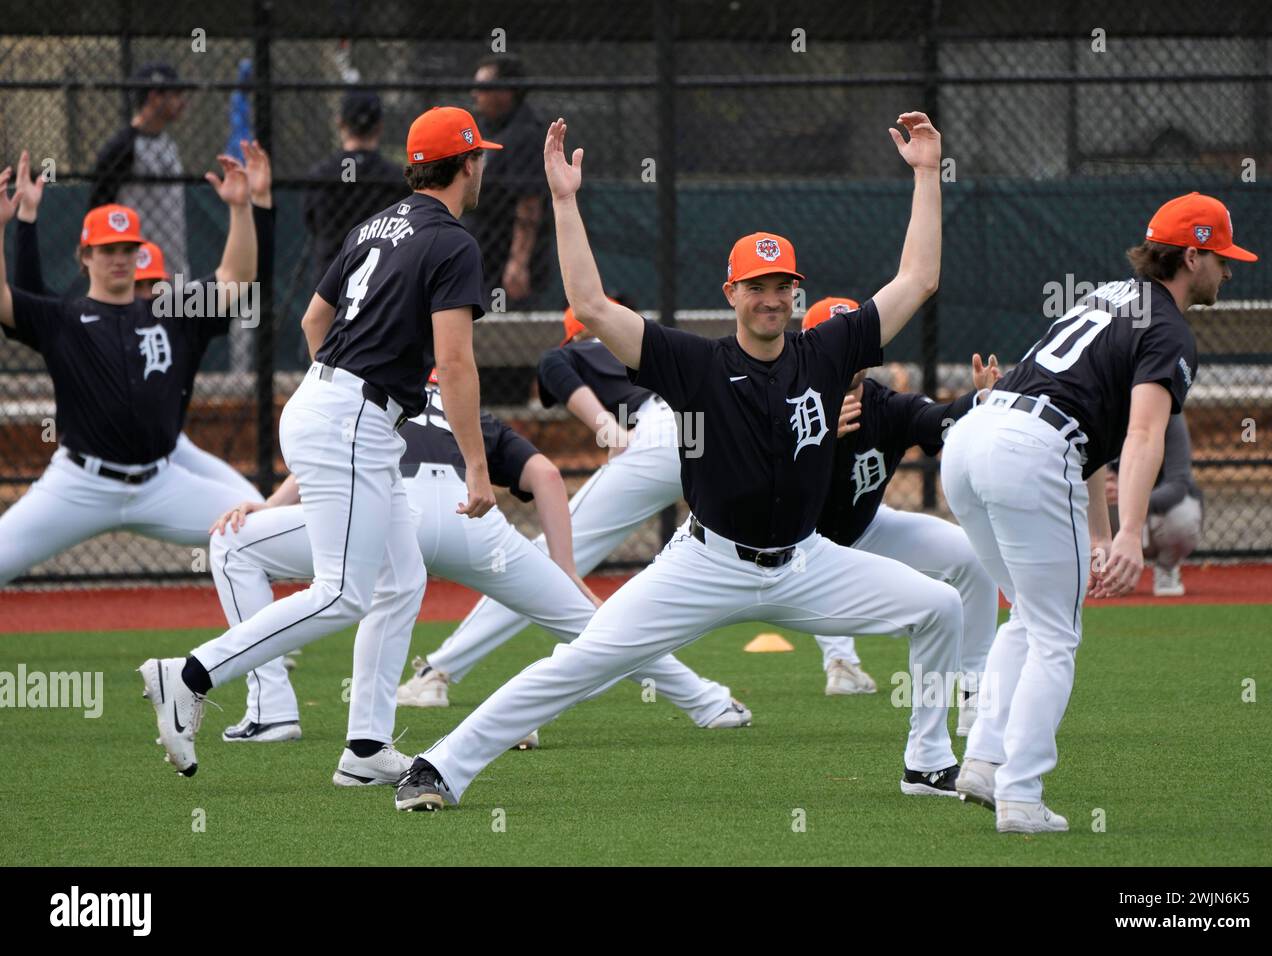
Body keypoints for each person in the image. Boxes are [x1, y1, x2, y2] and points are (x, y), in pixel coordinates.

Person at [392, 111, 961, 812]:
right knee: (584, 660)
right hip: (708, 564)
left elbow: (919, 278)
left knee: (940, 606)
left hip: (807, 561)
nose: (771, 298)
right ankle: (441, 765)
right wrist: (565, 202)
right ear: (732, 295)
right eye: (756, 286)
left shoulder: (829, 349)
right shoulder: (695, 363)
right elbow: (592, 308)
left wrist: (928, 173)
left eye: (782, 285)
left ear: (796, 294)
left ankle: (928, 761)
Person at [140, 106, 500, 785]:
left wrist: (341, 389)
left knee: (401, 581)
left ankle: (364, 750)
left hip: (326, 399)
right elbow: (454, 365)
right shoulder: (454, 242)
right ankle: (187, 675)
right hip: (353, 415)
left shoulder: (373, 225)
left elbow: (315, 318)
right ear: (467, 163)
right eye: (480, 155)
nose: (484, 165)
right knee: (342, 594)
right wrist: (476, 466)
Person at [208, 373, 748, 756]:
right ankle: (708, 703)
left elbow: (340, 461)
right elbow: (548, 477)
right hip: (473, 522)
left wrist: (271, 505)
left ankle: (277, 711)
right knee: (594, 624)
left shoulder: (369, 395)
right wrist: (567, 571)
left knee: (239, 548)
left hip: (395, 509)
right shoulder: (467, 413)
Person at [943, 192, 1255, 833]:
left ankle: (981, 762)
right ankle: (1021, 797)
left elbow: (1091, 438)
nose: (1228, 271)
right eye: (1221, 258)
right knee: (1057, 635)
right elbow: (1141, 436)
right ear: (1191, 256)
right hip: (1028, 450)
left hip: (975, 438)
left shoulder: (1107, 294)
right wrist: (1133, 534)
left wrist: (1105, 533)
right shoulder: (1169, 328)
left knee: (1029, 617)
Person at [395, 297, 692, 711]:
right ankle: (726, 698)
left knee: (545, 566)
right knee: (783, 546)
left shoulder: (567, 351)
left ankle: (439, 671)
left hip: (657, 439)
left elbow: (557, 371)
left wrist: (607, 428)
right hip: (704, 432)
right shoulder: (644, 349)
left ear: (575, 331)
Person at [0, 151, 258, 585]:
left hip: (161, 482)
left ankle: (262, 654)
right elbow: (4, 301)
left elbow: (236, 277)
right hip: (80, 482)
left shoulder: (172, 310)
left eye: (127, 249)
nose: (119, 258)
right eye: (107, 250)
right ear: (85, 256)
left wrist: (239, 207)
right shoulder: (62, 317)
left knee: (259, 531)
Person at [802, 296, 1002, 739]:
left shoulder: (885, 406)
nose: (846, 352)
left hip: (862, 532)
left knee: (971, 559)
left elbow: (938, 420)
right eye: (833, 341)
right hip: (783, 553)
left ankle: (972, 693)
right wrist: (815, 432)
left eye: (855, 340)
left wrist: (981, 401)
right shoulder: (786, 399)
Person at [464, 53, 550, 307]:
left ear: (505, 92)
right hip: (481, 253)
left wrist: (518, 263)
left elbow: (530, 202)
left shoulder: (525, 133)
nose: (474, 93)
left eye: (483, 87)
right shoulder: (484, 128)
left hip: (505, 260)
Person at [90, 62, 191, 278]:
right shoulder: (123, 147)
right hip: (137, 272)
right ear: (155, 97)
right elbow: (98, 207)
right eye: (176, 95)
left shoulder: (169, 144)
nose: (183, 103)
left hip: (174, 265)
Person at [303, 89, 408, 284]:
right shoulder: (396, 177)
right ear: (379, 126)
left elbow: (312, 222)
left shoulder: (322, 174)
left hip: (332, 284)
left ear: (341, 122)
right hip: (382, 283)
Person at [1105, 413, 1202, 597]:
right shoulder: (1099, 403)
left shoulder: (1169, 412)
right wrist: (1098, 488)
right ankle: (1102, 569)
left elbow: (1178, 484)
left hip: (1154, 514)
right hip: (1110, 514)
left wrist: (1128, 495)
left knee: (1183, 517)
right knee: (1077, 501)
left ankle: (1167, 568)